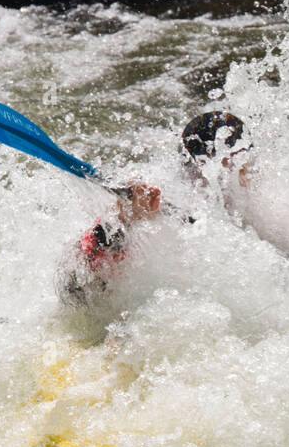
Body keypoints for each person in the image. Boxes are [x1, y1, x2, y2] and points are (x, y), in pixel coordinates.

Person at [56, 111, 250, 307]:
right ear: (207, 162)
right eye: (242, 159)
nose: (251, 169)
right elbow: (73, 289)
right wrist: (124, 219)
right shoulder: (166, 205)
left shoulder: (257, 211)